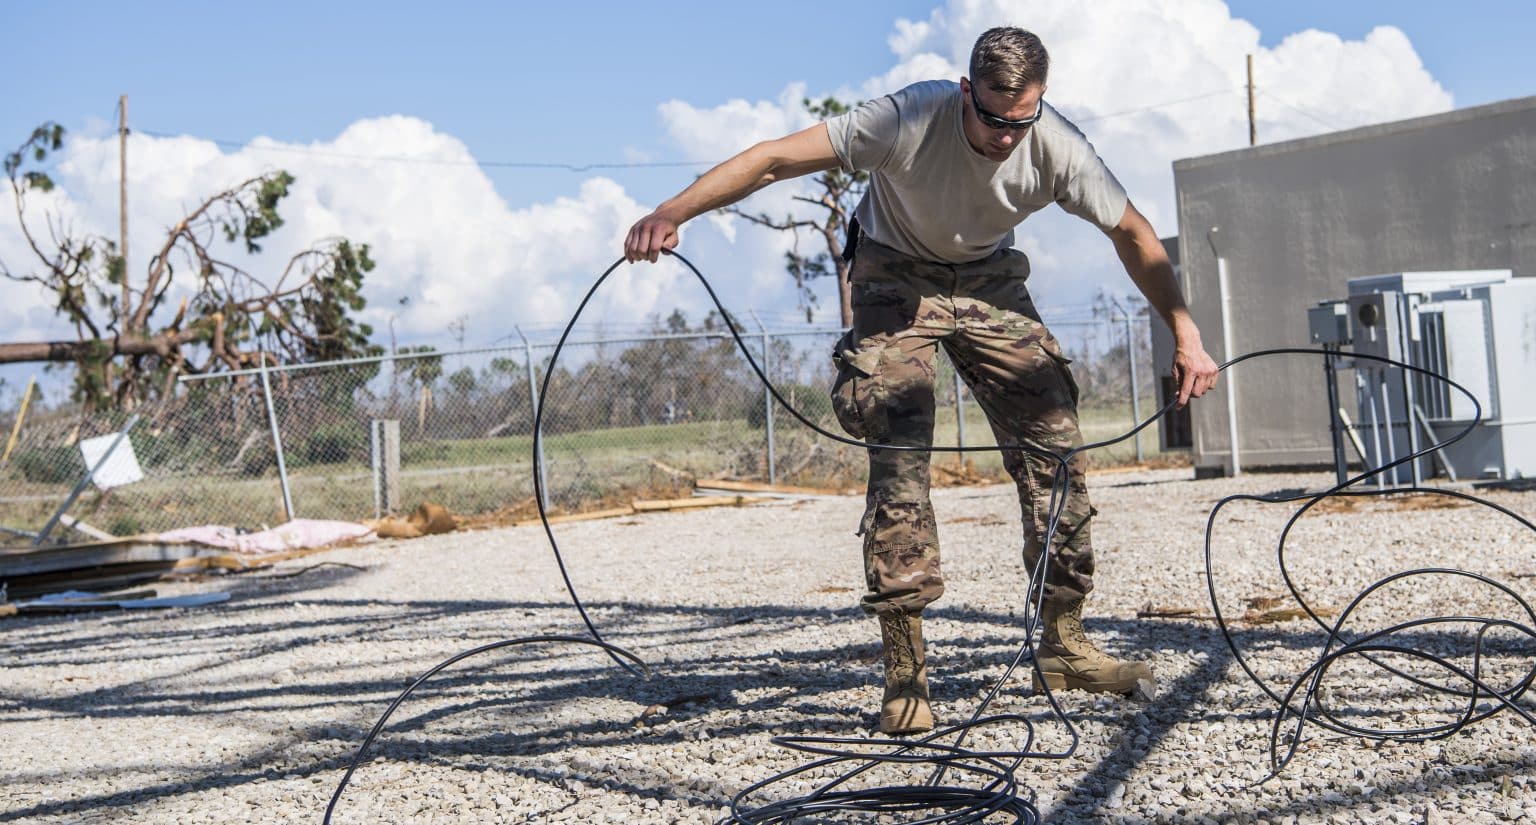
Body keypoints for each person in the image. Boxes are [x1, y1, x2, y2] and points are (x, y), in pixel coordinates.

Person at [625, 26, 1219, 736]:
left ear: (1040, 101)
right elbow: (773, 159)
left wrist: (1186, 332)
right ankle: (905, 671)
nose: (1005, 137)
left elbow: (1135, 233)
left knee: (1058, 449)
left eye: (1020, 120)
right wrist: (672, 212)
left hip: (989, 279)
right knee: (901, 458)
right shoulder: (908, 117)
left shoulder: (1057, 145)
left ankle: (1063, 644)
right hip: (894, 272)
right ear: (967, 92)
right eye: (992, 119)